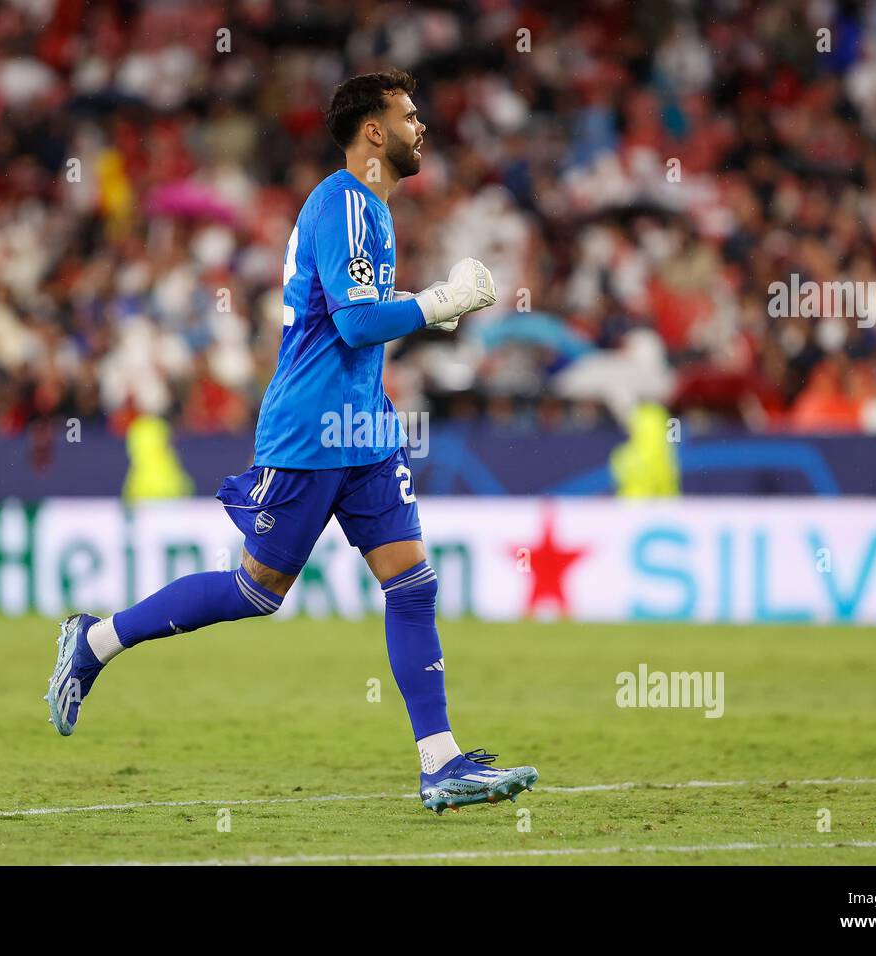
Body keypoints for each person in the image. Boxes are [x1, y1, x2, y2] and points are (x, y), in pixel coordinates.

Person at [45, 70, 537, 813]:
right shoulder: (343, 203)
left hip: (365, 428)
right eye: (409, 115)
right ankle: (96, 640)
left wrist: (425, 308)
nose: (422, 127)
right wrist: (442, 302)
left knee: (412, 584)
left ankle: (440, 763)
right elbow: (356, 323)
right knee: (255, 591)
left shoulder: (370, 207)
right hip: (310, 431)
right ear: (373, 130)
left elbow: (361, 317)